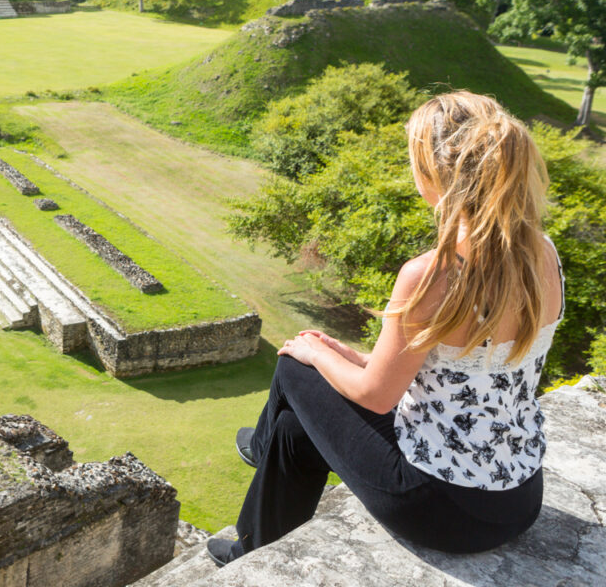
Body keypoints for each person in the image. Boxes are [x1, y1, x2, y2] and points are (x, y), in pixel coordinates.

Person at [208, 91, 565, 566]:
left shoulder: (431, 274)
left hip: (441, 506)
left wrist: (318, 355)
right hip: (518, 498)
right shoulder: (543, 253)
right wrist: (354, 358)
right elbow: (465, 375)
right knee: (297, 431)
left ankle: (259, 446)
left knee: (297, 364)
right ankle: (253, 543)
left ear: (434, 176)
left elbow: (378, 397)